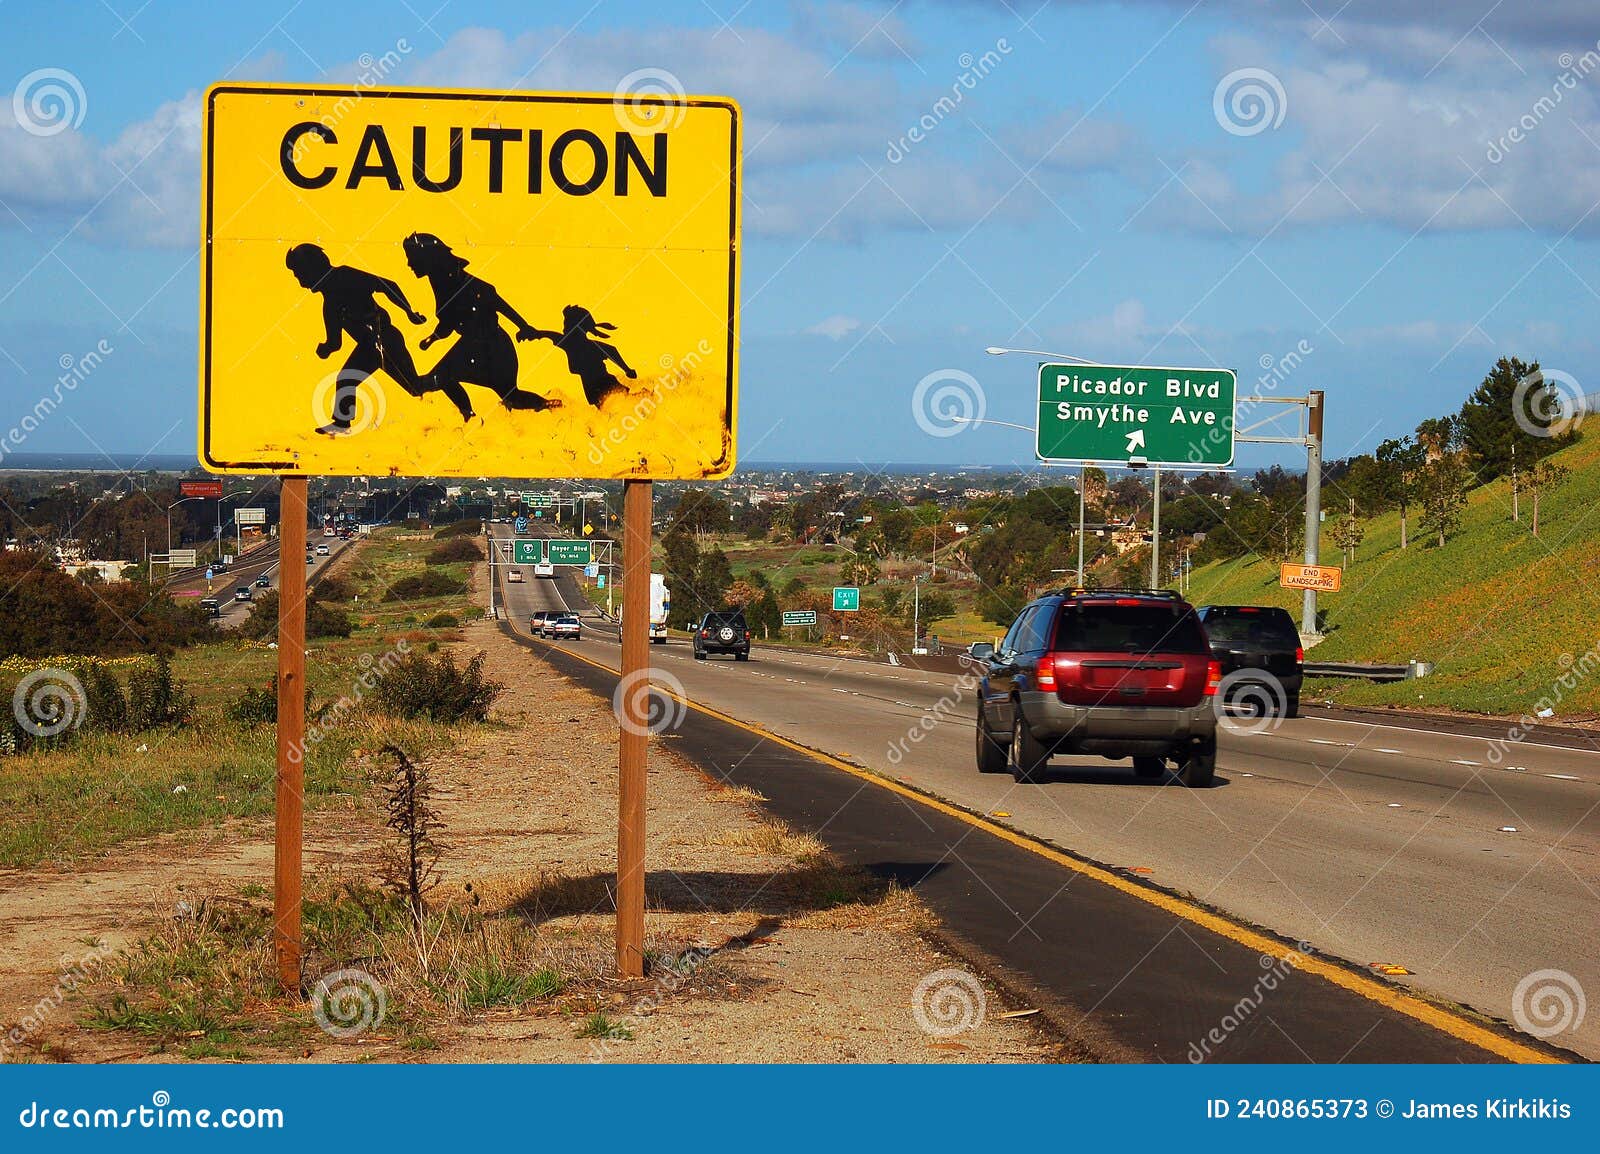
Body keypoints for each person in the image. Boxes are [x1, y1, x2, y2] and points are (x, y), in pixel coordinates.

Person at [284, 243, 472, 434]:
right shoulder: (329, 305)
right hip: (369, 347)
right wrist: (326, 348)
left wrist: (409, 312)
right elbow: (335, 343)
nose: (300, 280)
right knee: (347, 379)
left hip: (386, 340)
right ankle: (342, 423)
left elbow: (385, 285)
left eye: (300, 274)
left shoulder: (344, 276)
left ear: (313, 268)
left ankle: (446, 379)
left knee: (415, 387)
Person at [402, 232, 560, 415]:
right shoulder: (442, 280)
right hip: (490, 345)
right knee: (510, 395)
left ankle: (470, 417)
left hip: (486, 345)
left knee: (440, 378)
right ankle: (546, 405)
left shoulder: (454, 280)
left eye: (412, 258)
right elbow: (450, 320)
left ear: (427, 258)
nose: (410, 264)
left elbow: (490, 297)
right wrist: (432, 338)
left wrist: (524, 326)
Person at [520, 305, 638, 407]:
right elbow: (552, 335)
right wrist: (535, 334)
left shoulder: (577, 345)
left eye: (566, 325)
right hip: (598, 390)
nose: (564, 329)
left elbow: (612, 351)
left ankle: (648, 398)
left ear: (578, 327)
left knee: (624, 406)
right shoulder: (579, 345)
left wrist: (627, 369)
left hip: (604, 386)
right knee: (625, 406)